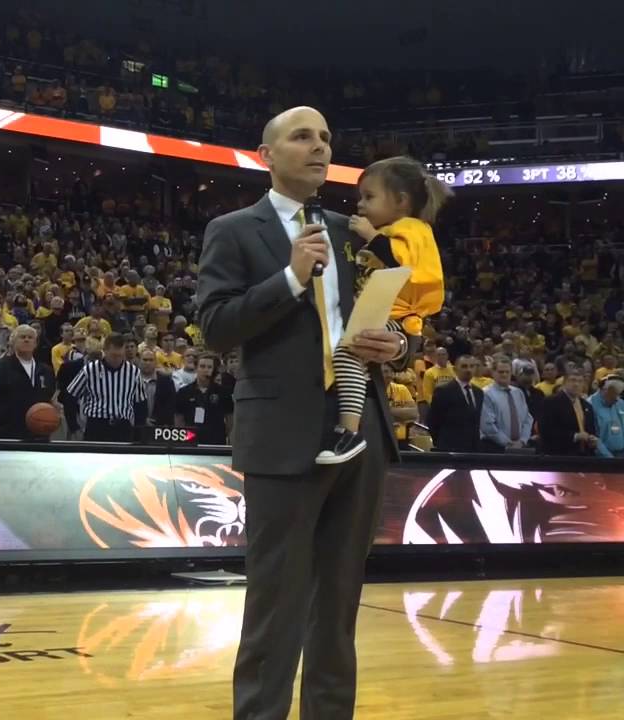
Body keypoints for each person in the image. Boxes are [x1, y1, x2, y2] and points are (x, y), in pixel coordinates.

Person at [193, 107, 409, 720]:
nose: (319, 147)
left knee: (339, 606)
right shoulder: (234, 230)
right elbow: (215, 329)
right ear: (267, 154)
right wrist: (289, 279)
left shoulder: (354, 229)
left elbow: (396, 313)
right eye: (303, 137)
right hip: (282, 436)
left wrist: (397, 344)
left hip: (361, 427)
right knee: (276, 604)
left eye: (326, 139)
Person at [315, 157, 449, 462]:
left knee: (348, 352)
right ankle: (349, 429)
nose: (361, 205)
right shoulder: (402, 227)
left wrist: (369, 235)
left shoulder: (409, 229)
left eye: (369, 197)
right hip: (390, 309)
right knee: (353, 358)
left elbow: (395, 261)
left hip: (397, 313)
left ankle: (348, 431)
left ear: (401, 201)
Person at [0, 325, 58, 440]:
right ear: (12, 342)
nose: (26, 339)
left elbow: (50, 400)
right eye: (22, 337)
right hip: (5, 437)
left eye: (30, 337)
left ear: (36, 343)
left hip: (38, 437)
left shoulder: (46, 371)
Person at [65, 333, 147, 441]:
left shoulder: (133, 372)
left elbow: (140, 404)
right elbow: (70, 396)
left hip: (123, 427)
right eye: (113, 355)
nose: (117, 359)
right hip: (96, 425)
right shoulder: (90, 370)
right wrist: (74, 427)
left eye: (120, 355)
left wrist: (138, 432)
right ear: (105, 351)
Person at [427, 355, 483, 453]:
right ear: (455, 369)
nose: (468, 370)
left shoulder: (479, 393)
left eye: (472, 366)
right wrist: (440, 443)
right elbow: (433, 420)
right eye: (464, 366)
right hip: (449, 448)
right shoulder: (443, 391)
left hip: (473, 449)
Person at [174, 353, 232, 444]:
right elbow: (179, 418)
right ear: (196, 368)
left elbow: (230, 419)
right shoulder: (184, 392)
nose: (205, 370)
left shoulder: (223, 392)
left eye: (209, 367)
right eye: (202, 366)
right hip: (191, 440)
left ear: (213, 370)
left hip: (216, 440)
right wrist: (181, 440)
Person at [539, 370, 599, 456]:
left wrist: (592, 440)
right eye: (573, 380)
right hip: (559, 455)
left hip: (584, 456)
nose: (576, 384)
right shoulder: (551, 402)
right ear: (564, 383)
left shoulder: (587, 405)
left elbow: (590, 430)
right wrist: (575, 436)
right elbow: (546, 431)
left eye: (580, 381)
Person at [479, 358, 534, 452]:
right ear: (493, 373)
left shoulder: (518, 392)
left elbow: (527, 419)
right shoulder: (486, 394)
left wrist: (522, 441)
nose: (504, 374)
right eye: (501, 372)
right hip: (494, 447)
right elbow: (488, 426)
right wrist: (508, 443)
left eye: (507, 372)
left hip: (520, 447)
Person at [589, 375, 624, 458]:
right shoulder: (590, 405)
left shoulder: (620, 403)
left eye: (618, 394)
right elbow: (593, 438)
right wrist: (609, 458)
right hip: (602, 457)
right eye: (614, 394)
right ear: (604, 390)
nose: (616, 398)